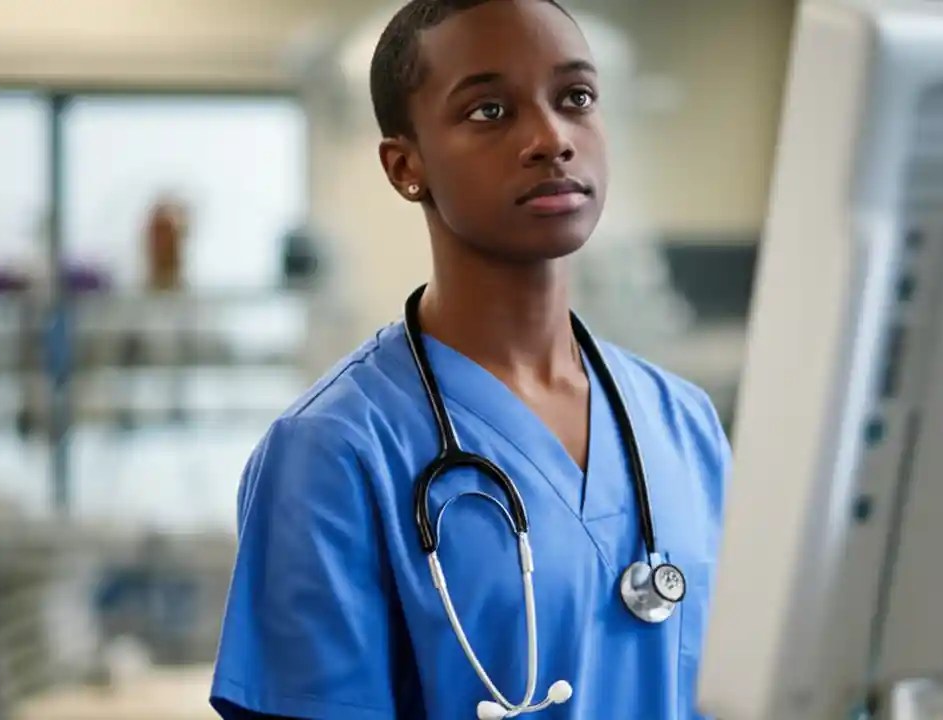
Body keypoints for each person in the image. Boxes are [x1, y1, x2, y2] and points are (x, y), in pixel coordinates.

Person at [208, 0, 731, 718]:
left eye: (575, 98)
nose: (552, 138)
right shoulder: (334, 452)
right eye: (489, 111)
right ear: (405, 165)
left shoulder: (682, 422)